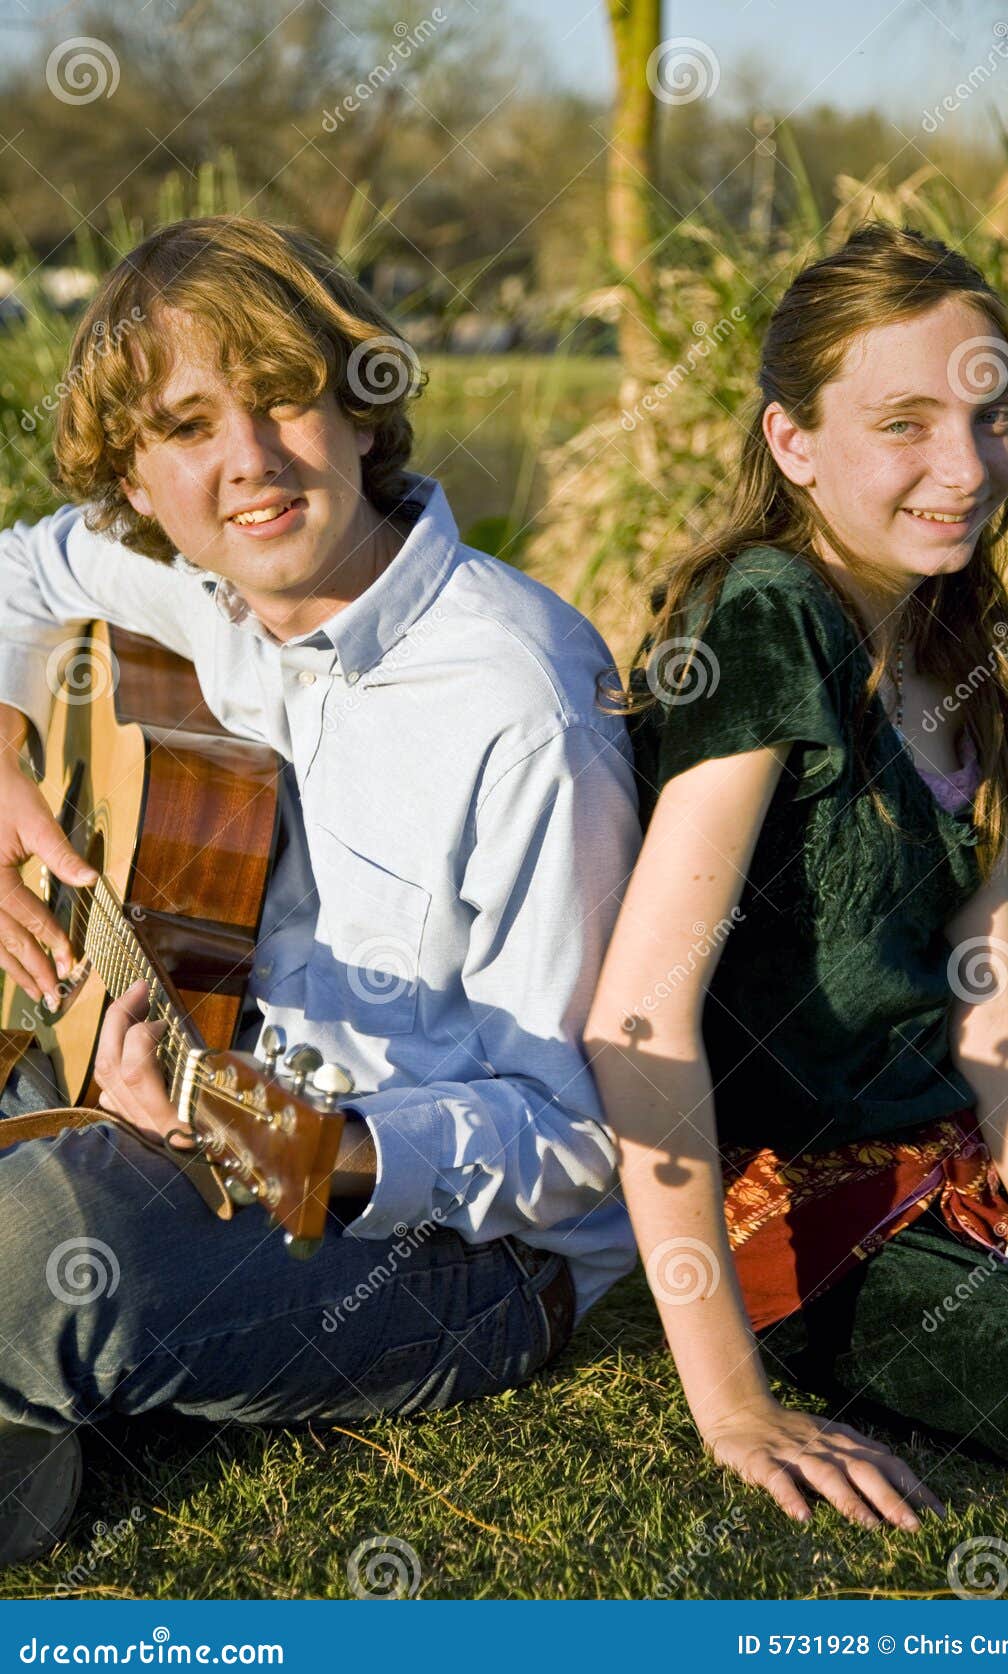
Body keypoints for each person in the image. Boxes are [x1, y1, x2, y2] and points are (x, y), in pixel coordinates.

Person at [0, 215, 641, 1564]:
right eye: (186, 425)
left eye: (285, 394)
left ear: (362, 407)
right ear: (139, 472)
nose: (247, 460)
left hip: (462, 1256)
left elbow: (578, 1137)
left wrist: (316, 1143)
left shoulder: (520, 695)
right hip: (204, 1098)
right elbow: (24, 566)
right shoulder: (203, 590)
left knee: (42, 1234)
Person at [584, 221, 1008, 1535]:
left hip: (957, 1153)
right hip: (805, 1214)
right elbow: (638, 1015)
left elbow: (995, 999)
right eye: (904, 422)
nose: (965, 468)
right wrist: (731, 1404)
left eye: (990, 415)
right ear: (795, 442)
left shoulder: (978, 641)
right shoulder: (766, 613)